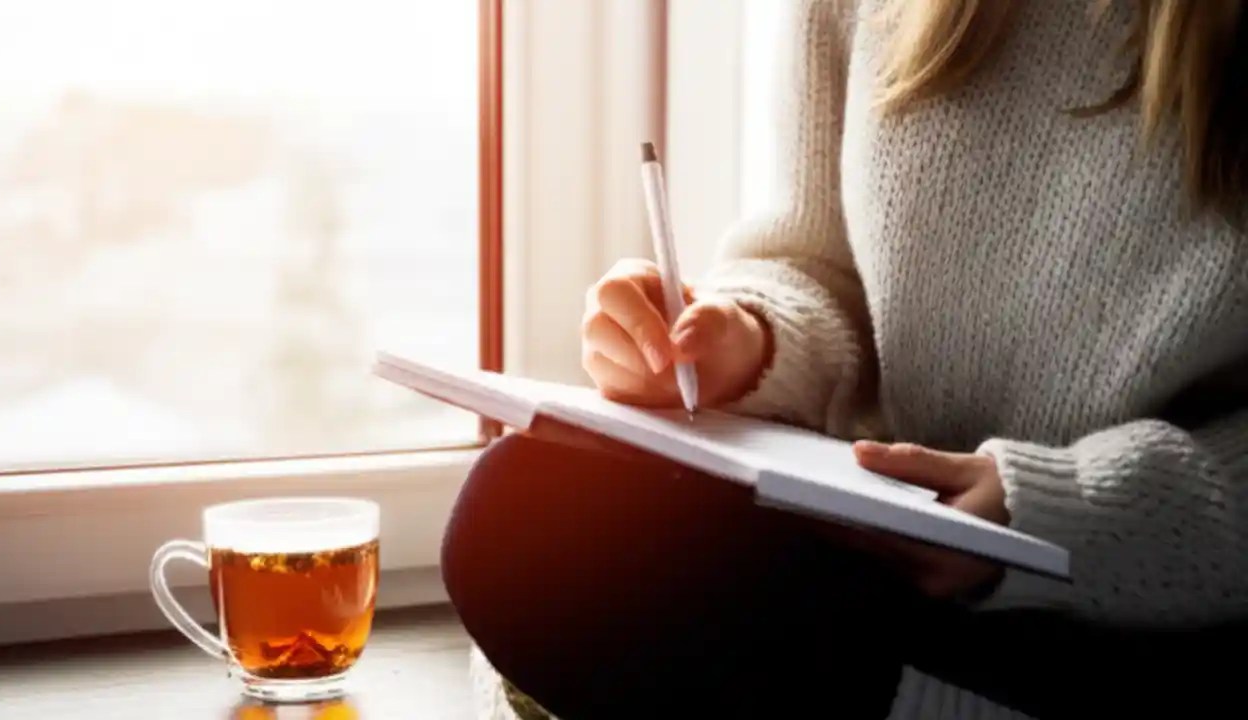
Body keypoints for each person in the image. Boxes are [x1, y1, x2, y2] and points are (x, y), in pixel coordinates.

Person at [443, 0, 1248, 717]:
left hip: (1153, 601)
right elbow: (816, 260)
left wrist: (1055, 506)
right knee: (531, 516)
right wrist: (746, 338)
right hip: (897, 564)